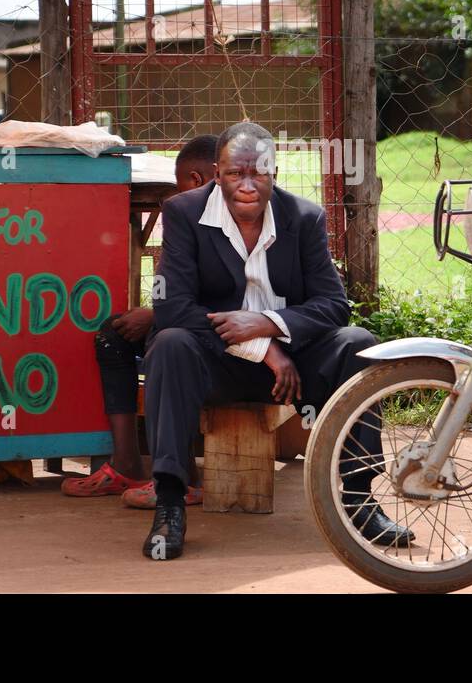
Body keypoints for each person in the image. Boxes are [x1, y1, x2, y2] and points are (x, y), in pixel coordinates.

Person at [138, 121, 412, 559]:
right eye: (234, 174)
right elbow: (173, 306)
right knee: (170, 343)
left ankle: (359, 498)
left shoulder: (303, 218)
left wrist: (267, 324)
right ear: (216, 173)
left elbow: (333, 305)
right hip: (216, 363)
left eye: (258, 173)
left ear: (274, 173)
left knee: (357, 343)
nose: (247, 185)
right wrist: (264, 348)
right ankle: (170, 504)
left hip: (294, 369)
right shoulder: (184, 214)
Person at [60, 134, 219, 507]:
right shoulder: (188, 219)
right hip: (187, 322)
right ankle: (127, 464)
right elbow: (173, 287)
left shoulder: (239, 217)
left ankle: (183, 478)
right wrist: (155, 313)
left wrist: (156, 316)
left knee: (169, 341)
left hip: (225, 338)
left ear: (197, 180)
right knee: (113, 334)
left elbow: (239, 300)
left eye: (180, 189)